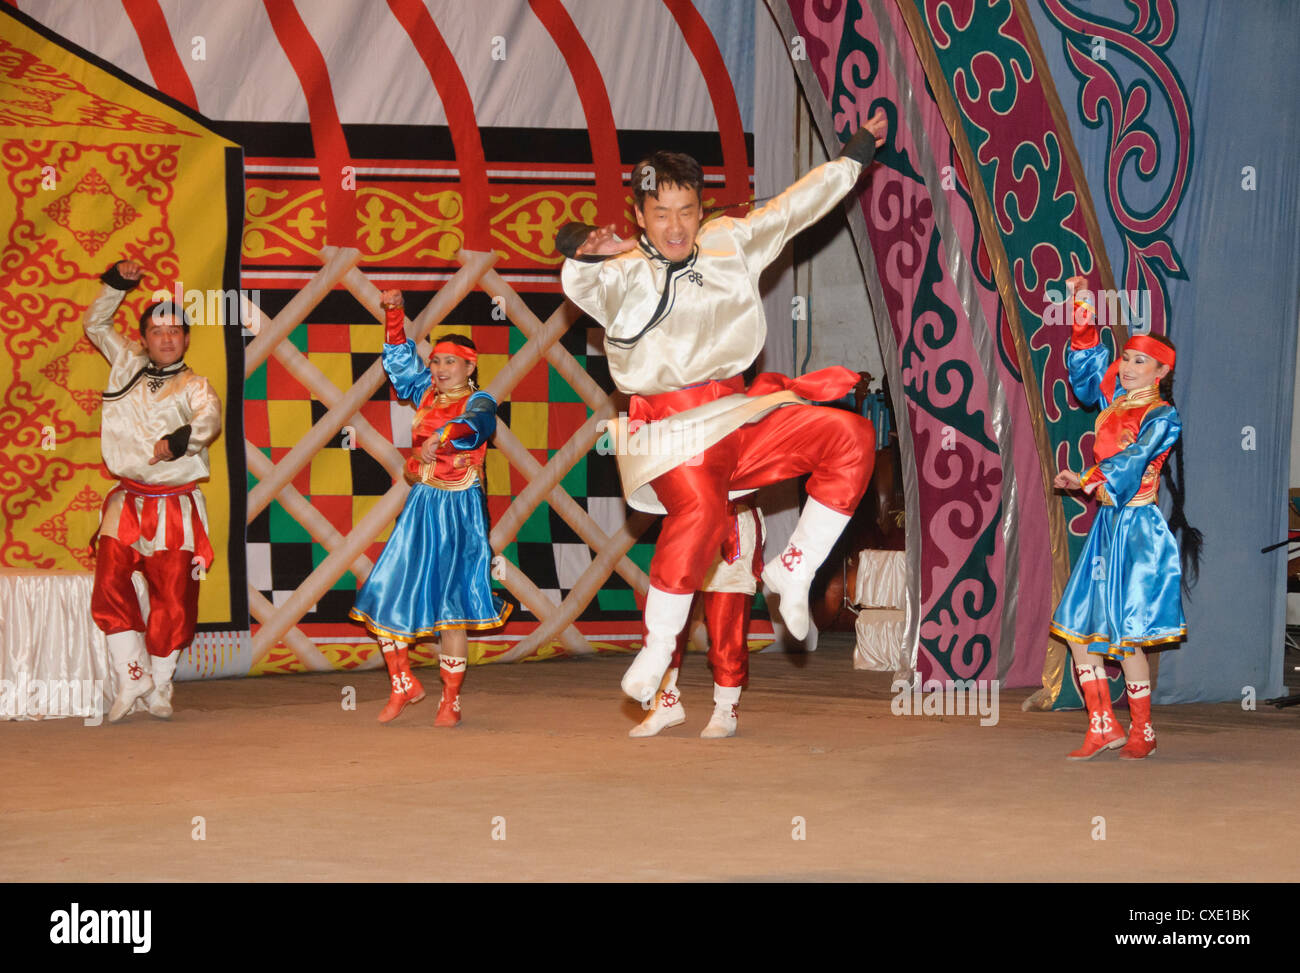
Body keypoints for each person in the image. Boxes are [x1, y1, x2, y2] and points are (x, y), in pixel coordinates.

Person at [557, 109, 888, 704]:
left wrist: (855, 156)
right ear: (640, 216)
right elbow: (580, 284)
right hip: (672, 432)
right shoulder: (624, 274)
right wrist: (582, 251)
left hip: (739, 415)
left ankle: (794, 567)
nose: (676, 226)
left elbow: (793, 206)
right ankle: (659, 647)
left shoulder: (730, 242)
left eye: (687, 211)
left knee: (852, 437)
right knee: (705, 514)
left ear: (701, 208)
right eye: (661, 214)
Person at [1050, 277, 1202, 760]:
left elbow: (1135, 459)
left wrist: (1088, 478)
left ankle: (1143, 731)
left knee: (1128, 635)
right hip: (1107, 530)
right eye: (1128, 359)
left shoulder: (1162, 416)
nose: (1129, 367)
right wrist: (1080, 301)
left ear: (1161, 370)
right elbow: (1087, 357)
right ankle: (1103, 726)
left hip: (1138, 531)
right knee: (1077, 631)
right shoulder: (1114, 400)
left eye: (1140, 361)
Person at [349, 290, 511, 726]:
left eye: (449, 362)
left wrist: (439, 440)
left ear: (470, 366)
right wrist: (395, 314)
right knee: (383, 591)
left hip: (460, 511)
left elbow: (476, 428)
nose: (438, 370)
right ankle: (403, 683)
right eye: (436, 362)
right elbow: (400, 361)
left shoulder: (482, 400)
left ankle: (450, 701)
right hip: (422, 505)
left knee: (451, 607)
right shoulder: (424, 394)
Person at [85, 259, 222, 722]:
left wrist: (180, 440)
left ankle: (161, 685)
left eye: (175, 331)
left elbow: (208, 420)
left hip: (174, 507)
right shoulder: (125, 362)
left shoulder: (195, 386)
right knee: (108, 585)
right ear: (143, 337)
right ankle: (132, 675)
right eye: (157, 330)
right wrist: (118, 283)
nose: (166, 338)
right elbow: (95, 322)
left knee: (174, 599)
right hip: (125, 501)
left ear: (185, 339)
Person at [631, 501, 764, 739]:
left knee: (727, 623)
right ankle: (665, 700)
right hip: (686, 522)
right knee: (663, 619)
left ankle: (726, 708)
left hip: (731, 525)